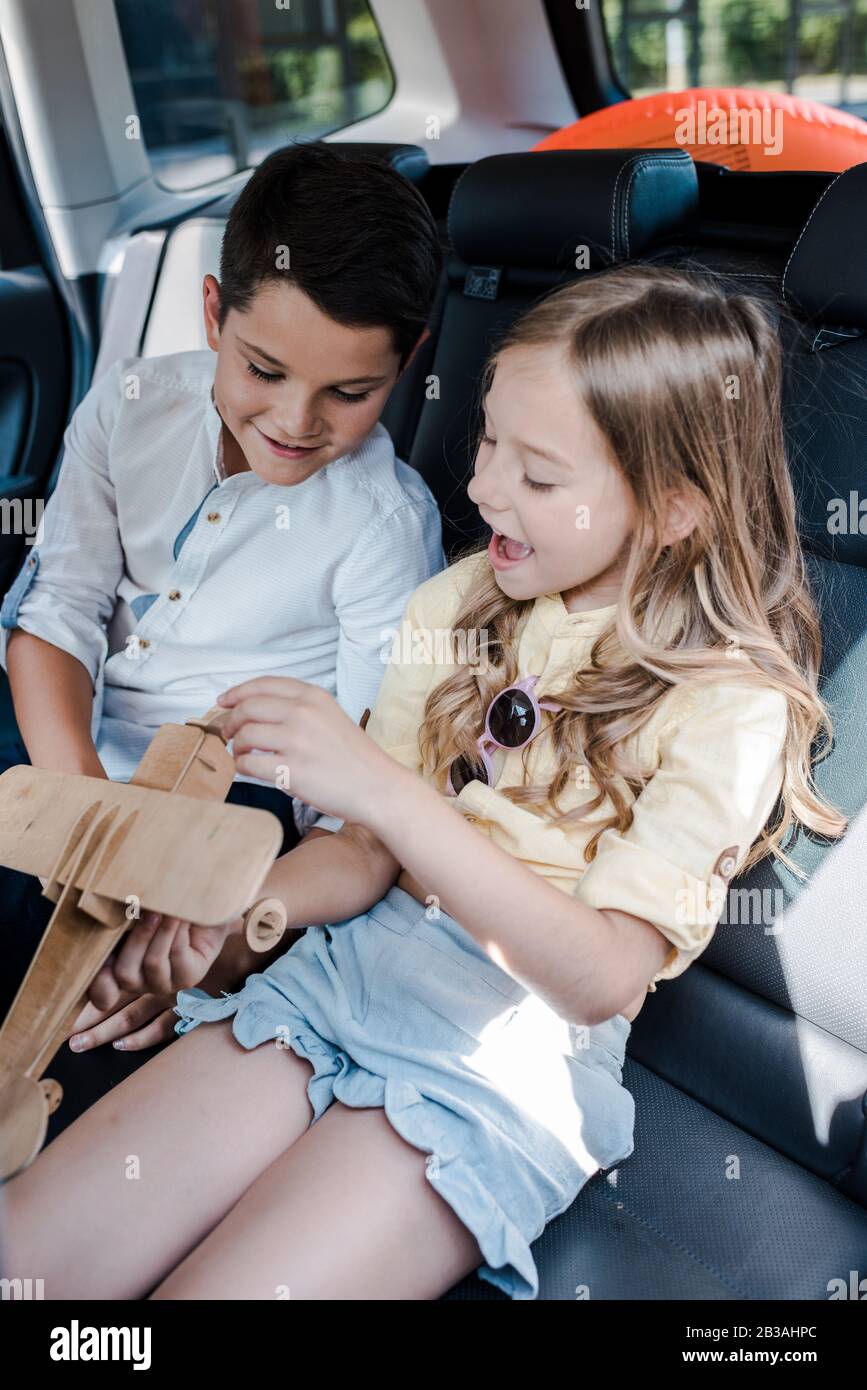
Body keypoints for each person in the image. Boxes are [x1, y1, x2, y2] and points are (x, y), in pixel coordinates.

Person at [2, 265, 846, 1301]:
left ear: (674, 510)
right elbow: (363, 857)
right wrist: (228, 923)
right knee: (25, 1263)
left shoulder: (728, 700)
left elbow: (602, 977)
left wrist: (380, 789)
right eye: (488, 441)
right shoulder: (463, 599)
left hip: (506, 1062)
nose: (485, 486)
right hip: (342, 979)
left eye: (539, 475)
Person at [0, 140, 444, 1026]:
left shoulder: (382, 525)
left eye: (349, 393)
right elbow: (58, 614)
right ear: (212, 313)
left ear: (407, 363)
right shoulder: (126, 403)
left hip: (233, 792)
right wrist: (85, 810)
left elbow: (362, 801)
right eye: (263, 371)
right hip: (74, 740)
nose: (294, 420)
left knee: (70, 979)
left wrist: (232, 939)